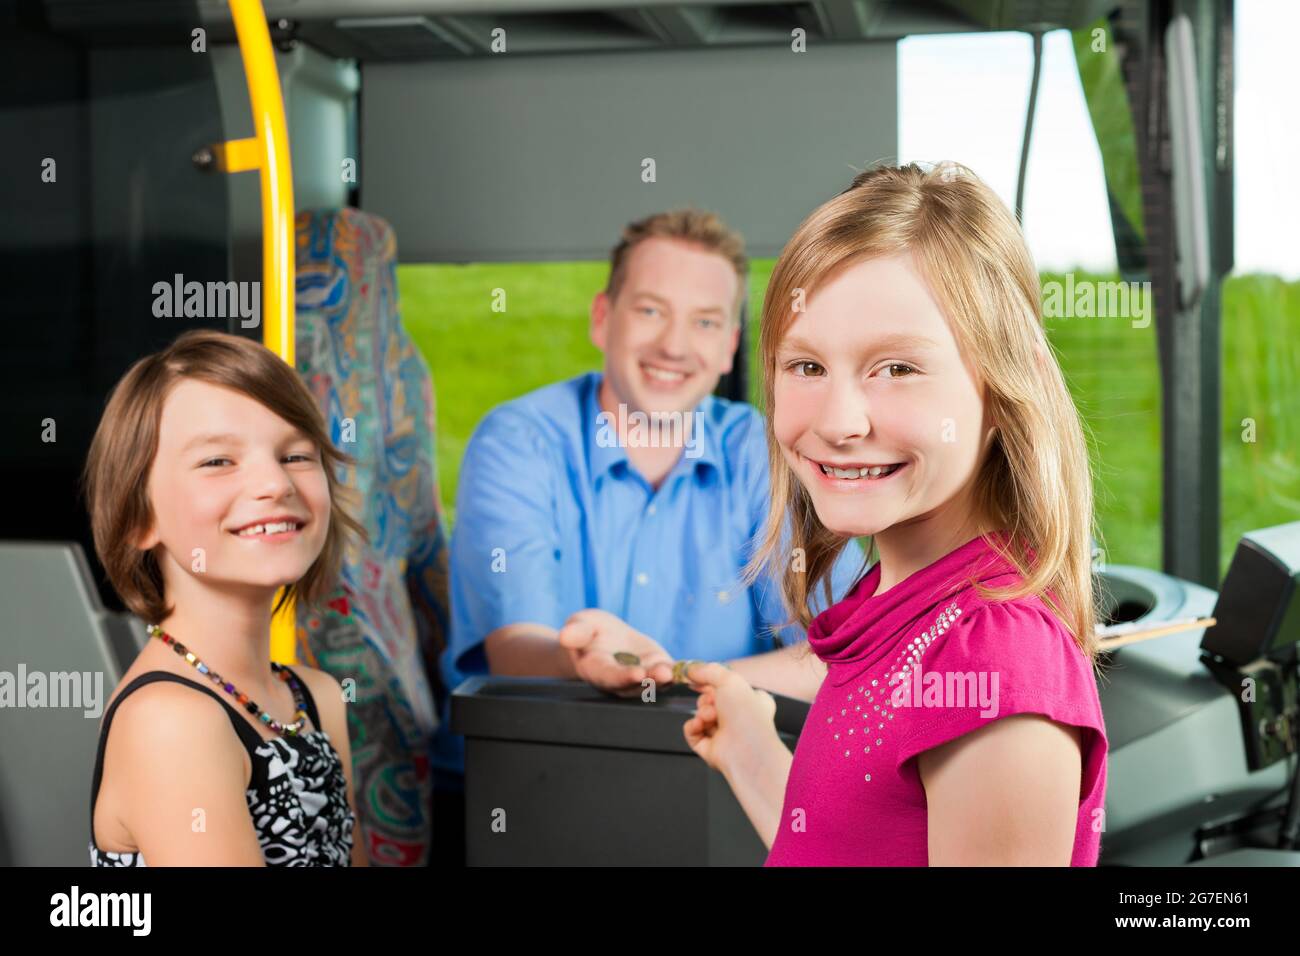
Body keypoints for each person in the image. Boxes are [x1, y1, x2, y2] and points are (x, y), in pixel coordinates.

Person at [683, 161, 1110, 866]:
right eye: (807, 367)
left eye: (897, 369)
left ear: (1009, 388)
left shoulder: (992, 663)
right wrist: (752, 752)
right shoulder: (894, 597)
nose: (840, 422)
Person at [434, 209, 864, 858]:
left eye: (706, 322)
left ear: (728, 348)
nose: (675, 346)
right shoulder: (519, 442)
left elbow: (846, 651)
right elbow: (516, 652)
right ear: (602, 319)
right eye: (651, 311)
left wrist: (669, 676)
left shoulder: (762, 450)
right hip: (540, 787)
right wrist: (586, 663)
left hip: (732, 791)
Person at [83, 329, 368, 866]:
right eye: (217, 461)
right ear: (138, 517)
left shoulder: (317, 697)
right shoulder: (171, 721)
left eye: (296, 455)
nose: (274, 483)